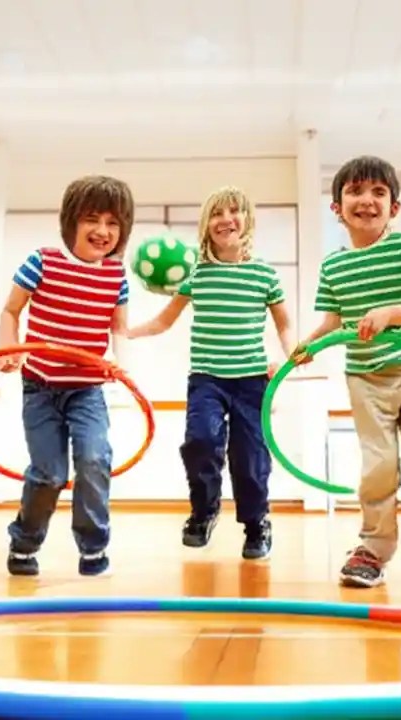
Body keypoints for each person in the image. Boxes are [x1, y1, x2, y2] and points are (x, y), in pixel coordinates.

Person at [293, 155, 401, 588]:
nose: (367, 200)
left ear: (394, 207)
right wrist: (307, 347)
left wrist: (389, 312)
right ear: (337, 207)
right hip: (364, 378)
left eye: (379, 192)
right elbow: (332, 325)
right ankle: (374, 547)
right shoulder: (333, 266)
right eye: (355, 191)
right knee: (379, 466)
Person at [127, 186, 293, 559]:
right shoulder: (195, 273)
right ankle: (203, 512)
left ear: (247, 221)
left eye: (234, 212)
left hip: (252, 379)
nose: (226, 220)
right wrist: (125, 332)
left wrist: (291, 354)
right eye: (217, 214)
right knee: (200, 441)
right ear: (206, 225)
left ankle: (256, 523)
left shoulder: (264, 274)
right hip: (207, 379)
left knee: (250, 457)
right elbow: (163, 322)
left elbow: (284, 325)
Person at [0, 175, 134, 577]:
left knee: (94, 457)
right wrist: (8, 350)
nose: (103, 231)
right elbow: (10, 310)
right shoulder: (42, 261)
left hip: (86, 388)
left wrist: (120, 365)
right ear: (71, 220)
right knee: (50, 474)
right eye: (92, 219)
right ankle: (24, 544)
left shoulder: (116, 276)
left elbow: (118, 328)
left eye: (113, 222)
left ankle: (93, 548)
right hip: (40, 386)